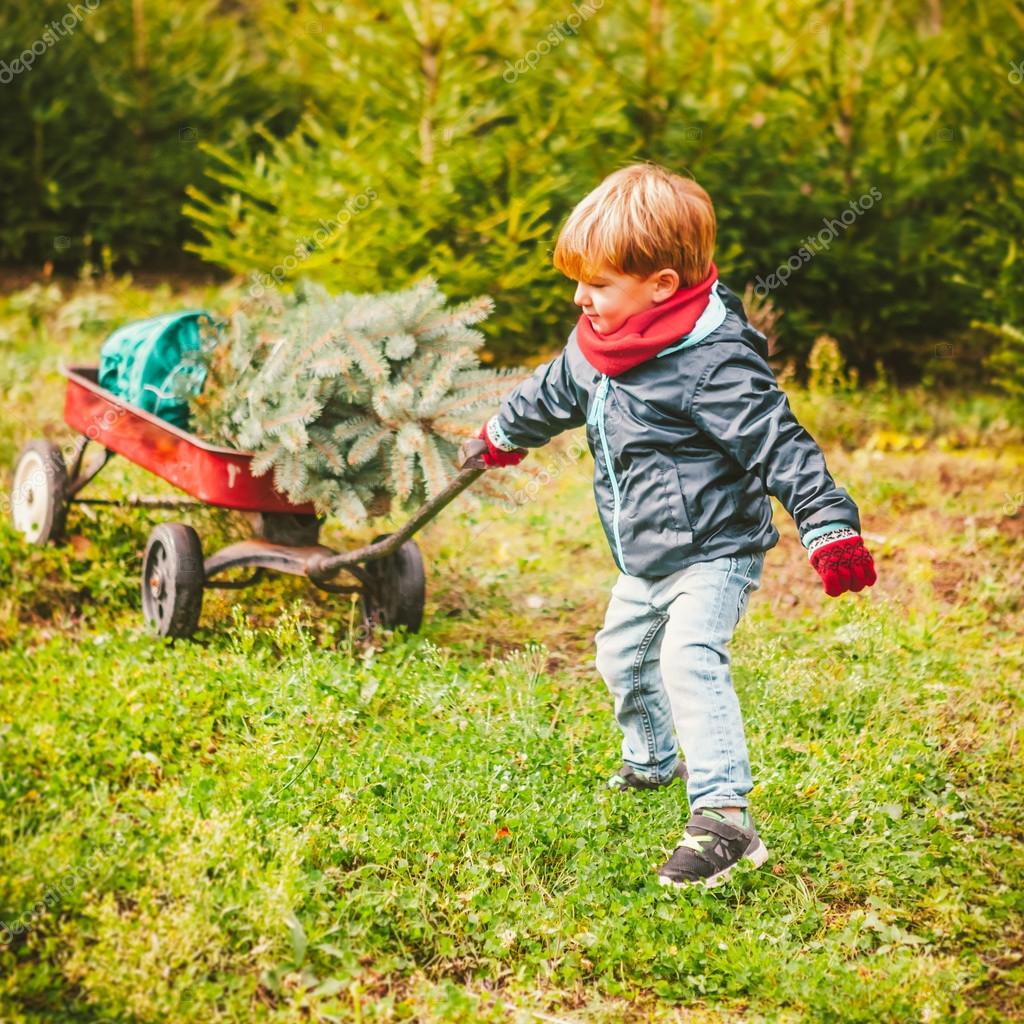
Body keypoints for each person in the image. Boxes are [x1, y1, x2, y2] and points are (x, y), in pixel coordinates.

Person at [474, 162, 877, 888]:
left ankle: (726, 819)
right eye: (580, 281)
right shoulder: (602, 340)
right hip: (646, 552)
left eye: (597, 283)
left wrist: (826, 521)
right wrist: (505, 431)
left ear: (661, 284)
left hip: (714, 550)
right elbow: (556, 388)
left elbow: (776, 441)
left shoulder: (712, 364)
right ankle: (652, 761)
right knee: (619, 661)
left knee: (686, 660)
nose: (579, 296)